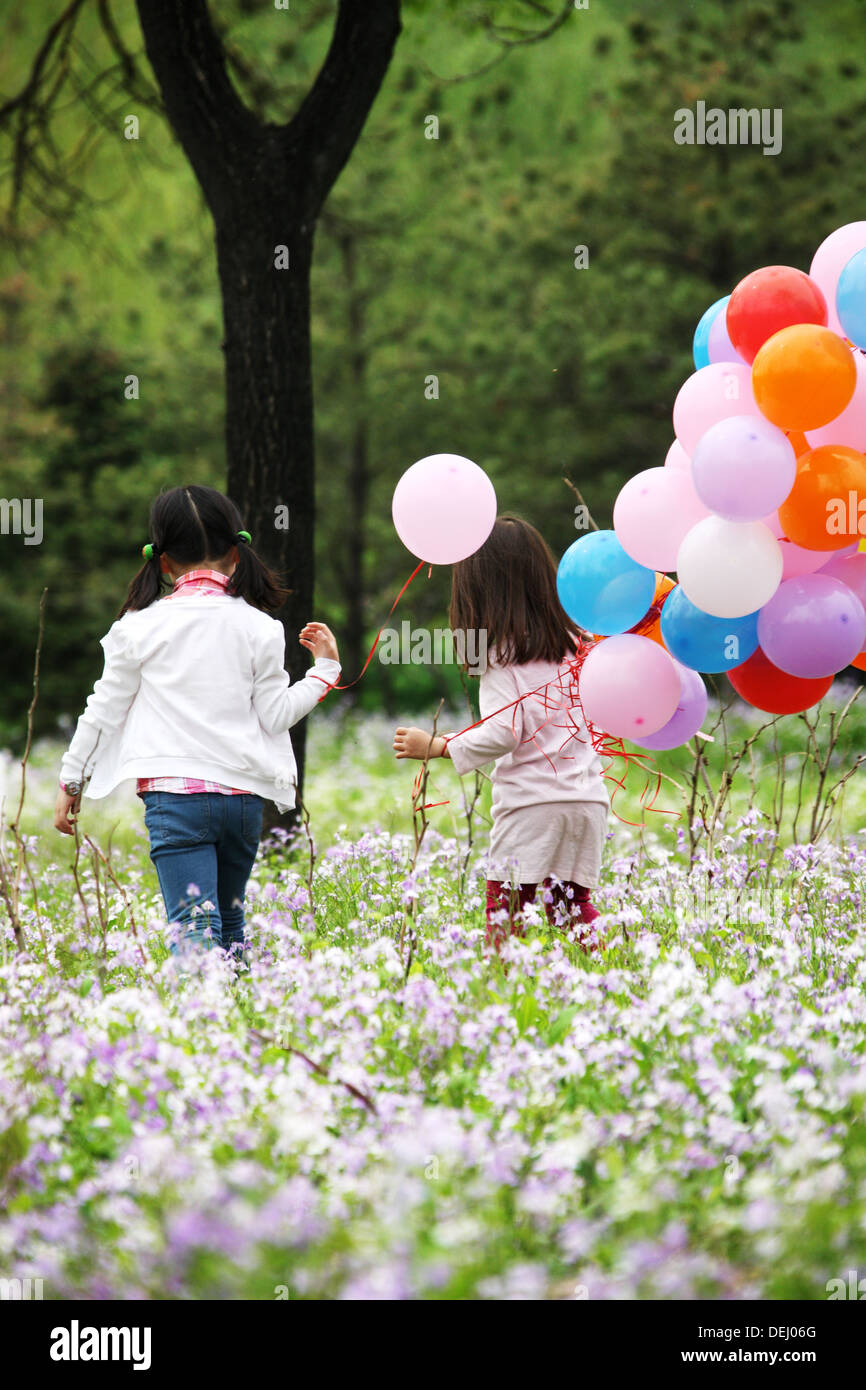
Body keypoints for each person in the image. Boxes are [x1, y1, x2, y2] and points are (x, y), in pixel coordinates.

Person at [54, 484, 340, 959]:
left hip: (175, 799)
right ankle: (242, 1022)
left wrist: (72, 779)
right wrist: (325, 671)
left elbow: (103, 708)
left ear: (162, 562)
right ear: (234, 552)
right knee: (230, 922)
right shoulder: (261, 628)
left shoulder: (138, 628)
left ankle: (203, 1027)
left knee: (192, 927)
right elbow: (276, 716)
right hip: (243, 803)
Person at [394, 514, 608, 952]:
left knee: (506, 910)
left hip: (533, 805)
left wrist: (437, 746)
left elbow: (504, 732)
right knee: (571, 905)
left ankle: (499, 991)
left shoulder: (501, 655)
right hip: (587, 800)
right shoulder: (576, 643)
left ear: (480, 590)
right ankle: (615, 975)